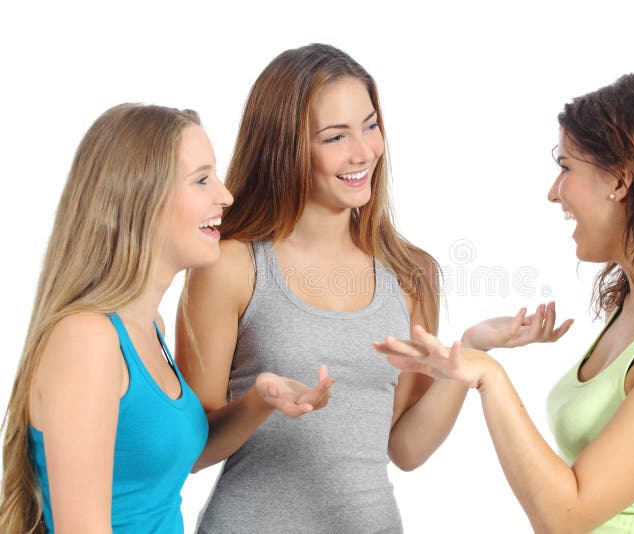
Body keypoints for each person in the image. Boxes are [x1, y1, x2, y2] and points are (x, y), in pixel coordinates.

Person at [375, 74, 634, 533]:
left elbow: (564, 518)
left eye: (566, 167)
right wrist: (475, 345)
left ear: (619, 179)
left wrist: (490, 378)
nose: (554, 192)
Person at [177, 43, 467, 533]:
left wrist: (469, 362)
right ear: (286, 146)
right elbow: (191, 451)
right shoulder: (231, 265)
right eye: (335, 137)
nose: (364, 151)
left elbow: (404, 448)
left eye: (370, 126)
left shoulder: (412, 274)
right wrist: (261, 400)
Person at [0, 104, 233, 533]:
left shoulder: (150, 329)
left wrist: (261, 402)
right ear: (140, 198)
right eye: (202, 180)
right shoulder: (87, 339)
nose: (226, 196)